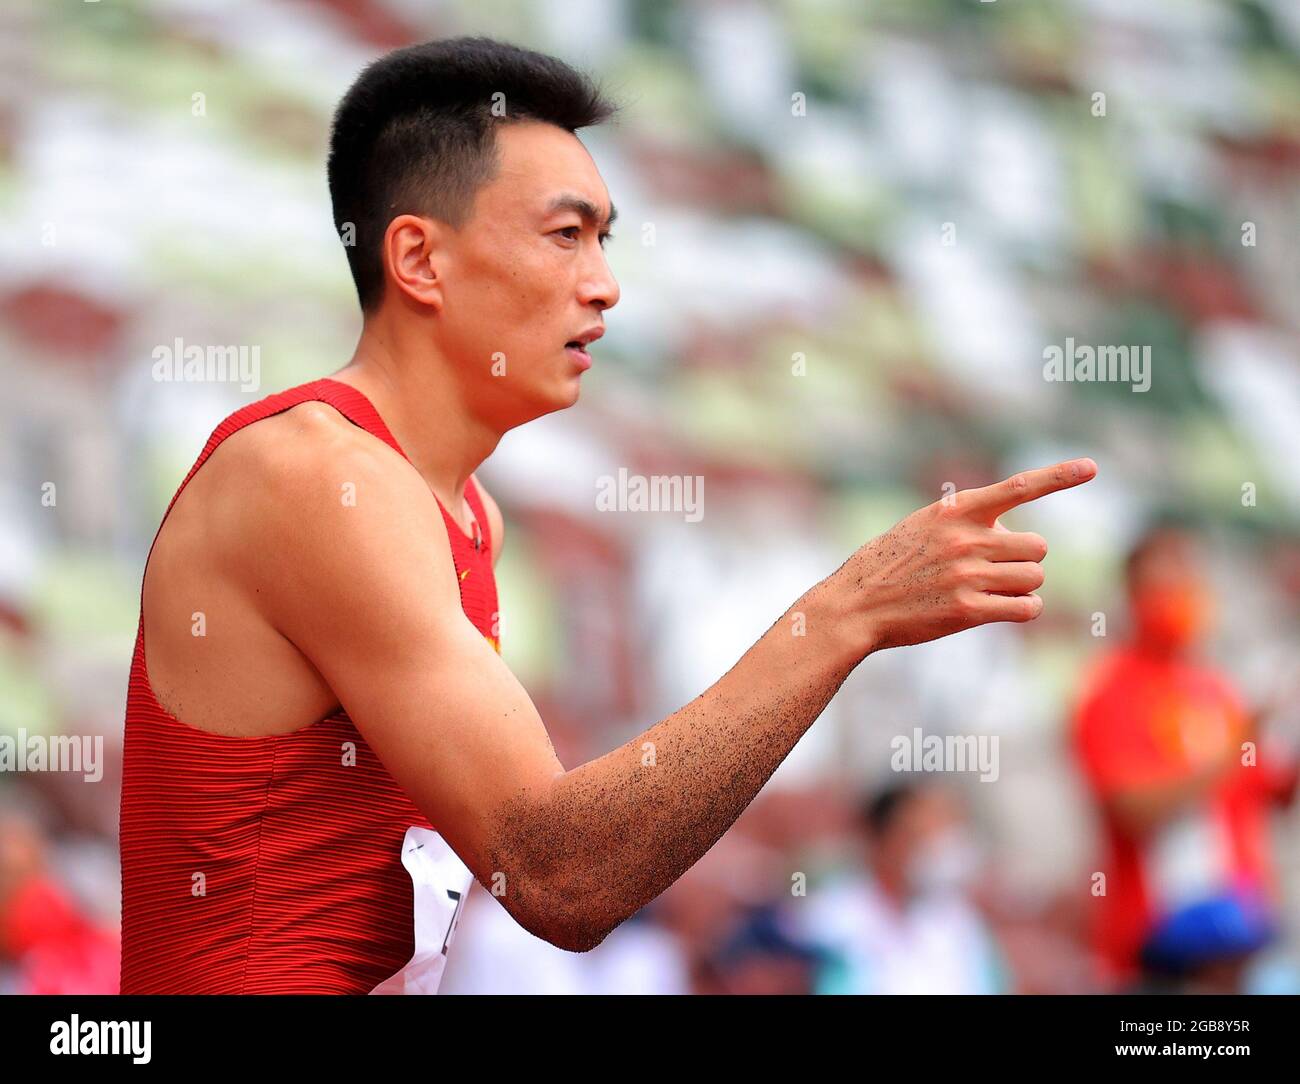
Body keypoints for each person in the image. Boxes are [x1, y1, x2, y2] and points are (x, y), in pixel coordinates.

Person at [118, 36, 1096, 994]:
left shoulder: (462, 514)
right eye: (564, 234)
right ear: (418, 257)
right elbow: (558, 873)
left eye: (605, 238)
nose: (604, 284)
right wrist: (842, 616)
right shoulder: (315, 477)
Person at [1072, 525, 1299, 992]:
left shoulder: (1216, 687)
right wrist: (1233, 749)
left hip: (1236, 942)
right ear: (1134, 594)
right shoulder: (1110, 689)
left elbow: (1269, 794)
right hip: (1159, 950)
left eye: (1188, 578)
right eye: (1165, 581)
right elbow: (1132, 810)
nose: (1181, 593)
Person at [792, 784, 1006, 994]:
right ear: (878, 838)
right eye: (916, 835)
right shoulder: (829, 918)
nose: (929, 848)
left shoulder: (958, 919)